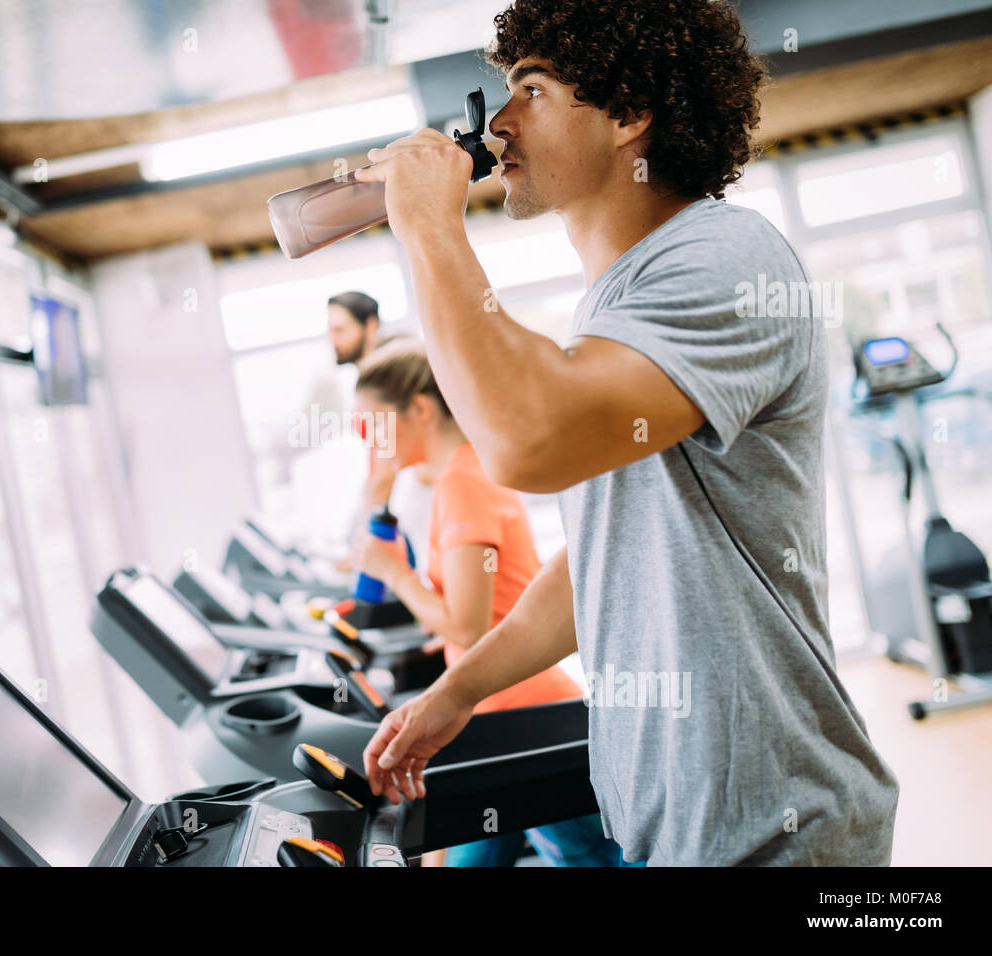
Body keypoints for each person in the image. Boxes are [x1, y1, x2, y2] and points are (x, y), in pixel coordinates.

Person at [353, 0, 900, 865]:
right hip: (677, 833)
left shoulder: (724, 258)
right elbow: (604, 561)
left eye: (530, 89)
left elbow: (525, 443)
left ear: (629, 112)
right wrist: (458, 690)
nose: (498, 122)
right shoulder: (616, 309)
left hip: (773, 833)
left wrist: (427, 224)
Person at [353, 339, 622, 866]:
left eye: (376, 422)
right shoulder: (463, 472)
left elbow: (469, 627)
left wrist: (397, 575)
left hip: (519, 711)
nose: (370, 438)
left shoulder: (462, 483)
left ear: (422, 410)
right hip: (502, 708)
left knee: (596, 857)